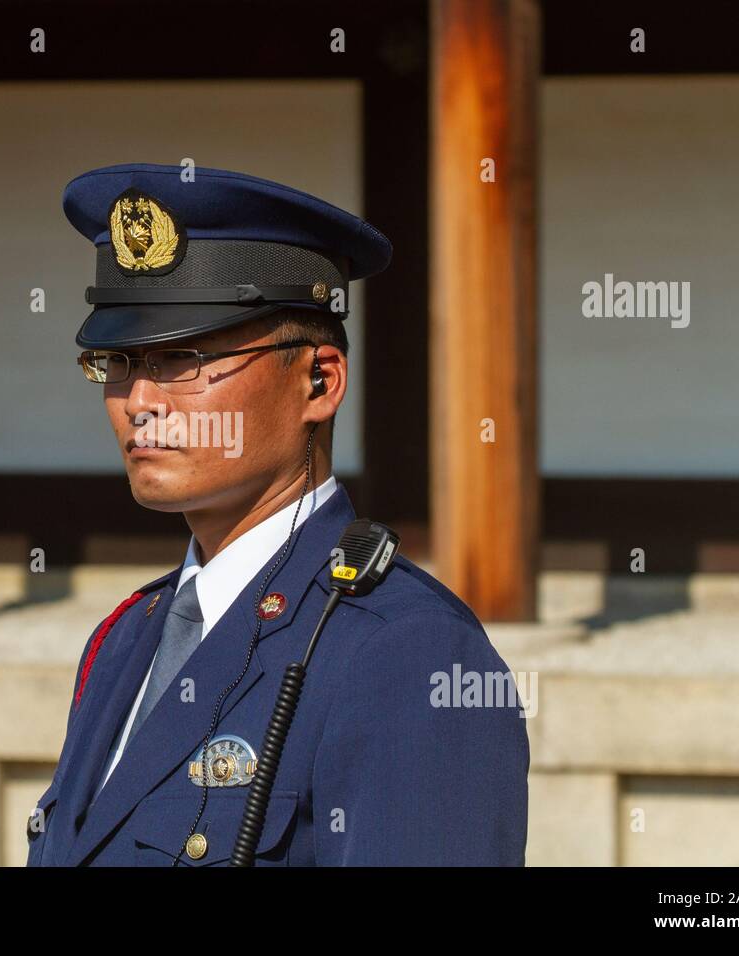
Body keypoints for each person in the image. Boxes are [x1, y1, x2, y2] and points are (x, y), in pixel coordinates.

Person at [26, 162, 528, 866]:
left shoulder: (405, 654)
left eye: (184, 358)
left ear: (319, 380)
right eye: (117, 360)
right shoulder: (124, 639)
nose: (139, 398)